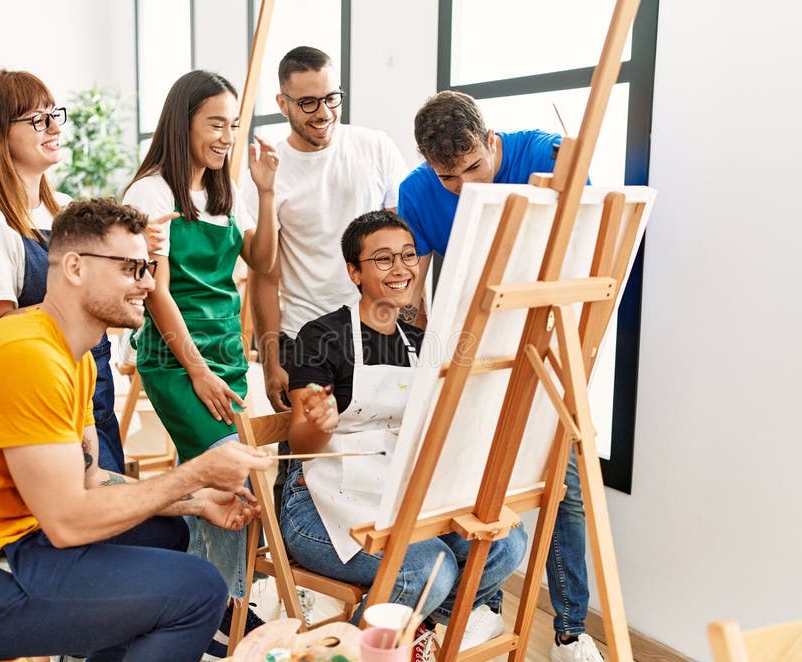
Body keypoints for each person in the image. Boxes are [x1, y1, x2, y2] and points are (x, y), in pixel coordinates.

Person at [0, 198, 271, 662]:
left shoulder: (74, 355)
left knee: (166, 534)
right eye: (131, 268)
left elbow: (90, 478)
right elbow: (68, 521)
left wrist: (197, 500)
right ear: (76, 268)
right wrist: (194, 473)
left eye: (148, 267)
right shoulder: (27, 356)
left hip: (21, 541)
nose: (148, 283)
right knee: (199, 588)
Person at [397, 90, 600, 662]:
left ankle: (569, 633)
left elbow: (587, 234)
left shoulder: (542, 153)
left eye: (473, 168)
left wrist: (573, 168)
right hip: (471, 358)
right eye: (448, 177)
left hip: (546, 351)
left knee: (561, 490)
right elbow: (413, 286)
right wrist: (423, 359)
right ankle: (479, 603)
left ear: (492, 142)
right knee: (462, 486)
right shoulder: (417, 192)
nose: (465, 186)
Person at [279, 211, 528, 659]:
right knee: (428, 568)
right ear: (354, 271)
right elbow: (301, 444)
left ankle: (415, 630)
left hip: (398, 494)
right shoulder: (321, 336)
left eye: (408, 255)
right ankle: (351, 653)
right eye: (383, 259)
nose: (401, 268)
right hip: (321, 504)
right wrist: (318, 424)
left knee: (507, 543)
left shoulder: (422, 341)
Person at [121, 69, 279, 653]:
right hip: (176, 358)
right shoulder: (150, 193)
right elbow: (156, 291)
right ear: (181, 121)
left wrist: (265, 189)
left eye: (233, 125)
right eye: (216, 123)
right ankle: (221, 608)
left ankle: (189, 601)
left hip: (226, 356)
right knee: (229, 469)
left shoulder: (220, 189)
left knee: (216, 480)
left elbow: (261, 261)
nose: (226, 136)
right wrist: (197, 369)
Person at [0, 69, 134, 475]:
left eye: (54, 114)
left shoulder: (64, 208)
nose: (54, 127)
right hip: (39, 399)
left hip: (91, 388)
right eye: (37, 119)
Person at [244, 46, 409, 414]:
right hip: (305, 337)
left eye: (332, 98)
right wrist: (271, 361)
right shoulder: (268, 171)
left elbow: (405, 248)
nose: (323, 113)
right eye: (307, 103)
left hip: (378, 328)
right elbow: (264, 277)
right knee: (306, 459)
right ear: (282, 103)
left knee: (384, 449)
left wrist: (409, 325)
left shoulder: (375, 147)